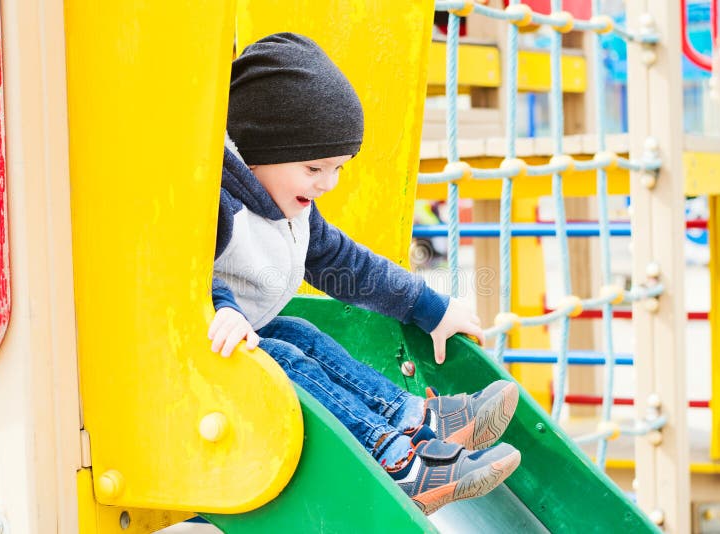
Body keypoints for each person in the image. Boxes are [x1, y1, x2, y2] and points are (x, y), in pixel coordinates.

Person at [208, 32, 520, 515]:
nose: (327, 184)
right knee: (283, 357)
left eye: (338, 168)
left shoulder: (290, 207)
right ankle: (400, 464)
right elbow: (176, 274)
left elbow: (343, 263)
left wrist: (429, 307)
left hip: (243, 342)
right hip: (205, 362)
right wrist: (220, 309)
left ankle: (417, 419)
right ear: (258, 149)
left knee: (301, 334)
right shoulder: (219, 207)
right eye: (314, 167)